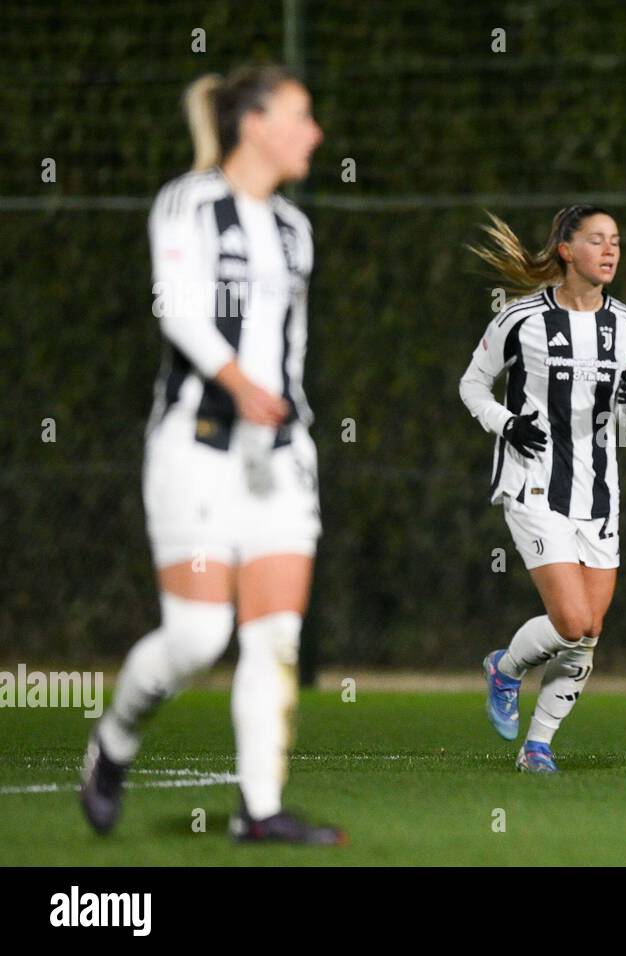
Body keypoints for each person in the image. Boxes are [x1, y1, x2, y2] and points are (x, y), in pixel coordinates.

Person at [79, 65, 345, 843]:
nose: (315, 133)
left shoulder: (295, 230)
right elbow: (177, 308)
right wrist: (236, 381)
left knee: (274, 636)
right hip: (196, 450)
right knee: (198, 637)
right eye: (302, 115)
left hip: (280, 462)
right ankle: (114, 741)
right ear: (255, 124)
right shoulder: (187, 203)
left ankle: (258, 811)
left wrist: (283, 418)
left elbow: (288, 352)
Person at [459, 206, 626, 773]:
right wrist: (506, 422)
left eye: (615, 240)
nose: (610, 250)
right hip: (533, 482)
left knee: (588, 632)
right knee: (571, 622)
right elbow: (472, 385)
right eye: (596, 240)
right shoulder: (520, 319)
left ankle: (537, 745)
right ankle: (506, 669)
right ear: (566, 250)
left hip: (599, 492)